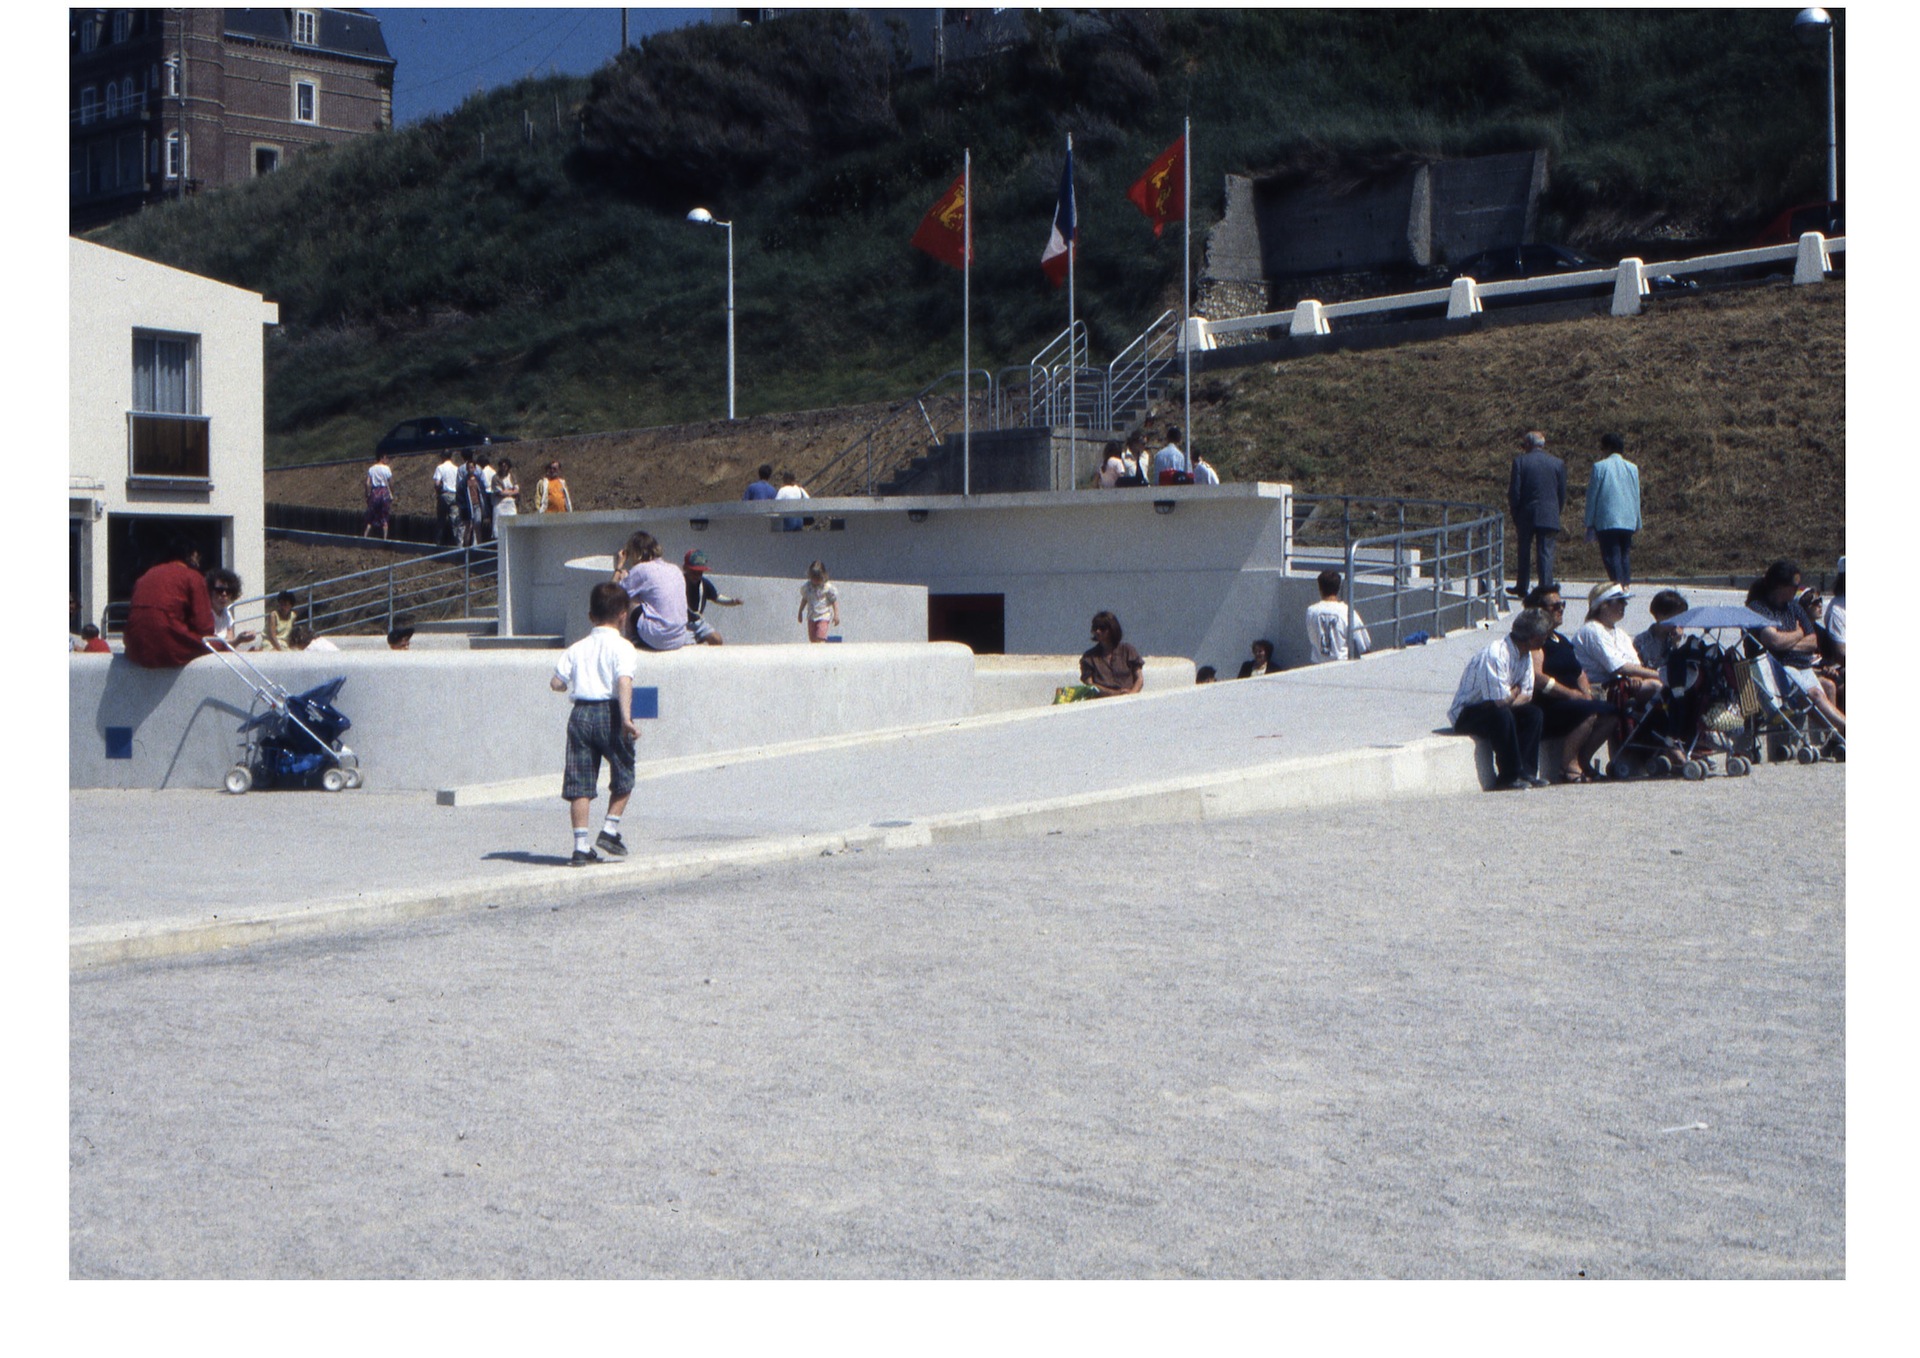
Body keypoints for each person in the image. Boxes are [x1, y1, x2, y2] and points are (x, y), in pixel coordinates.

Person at [550, 581, 641, 867]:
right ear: (623, 615)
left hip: (580, 714)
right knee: (624, 771)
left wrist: (565, 686)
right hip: (611, 713)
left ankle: (580, 846)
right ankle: (610, 829)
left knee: (580, 780)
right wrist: (626, 718)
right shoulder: (623, 647)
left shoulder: (577, 648)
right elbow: (623, 682)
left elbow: (556, 682)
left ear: (591, 616)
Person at [1448, 607, 1552, 791]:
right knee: (1502, 715)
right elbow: (1499, 701)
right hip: (1468, 713)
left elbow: (1526, 695)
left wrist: (1511, 695)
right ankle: (1508, 776)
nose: (1546, 639)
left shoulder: (1525, 656)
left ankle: (1526, 772)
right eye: (1544, 635)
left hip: (1497, 707)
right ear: (1532, 637)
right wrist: (1512, 694)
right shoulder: (1496, 654)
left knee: (1533, 714)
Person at [1525, 584, 1617, 783]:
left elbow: (1579, 672)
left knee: (1611, 713)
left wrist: (1585, 693)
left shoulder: (1562, 640)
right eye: (1555, 606)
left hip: (1571, 701)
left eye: (1562, 604)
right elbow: (1538, 678)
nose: (1561, 609)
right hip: (1549, 704)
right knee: (1587, 712)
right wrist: (1571, 695)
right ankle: (1568, 766)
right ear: (1539, 611)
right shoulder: (1536, 642)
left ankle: (1583, 760)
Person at [1746, 559, 1845, 735]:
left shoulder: (1794, 608)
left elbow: (1813, 641)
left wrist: (1788, 642)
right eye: (1795, 585)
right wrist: (1799, 634)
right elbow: (1773, 641)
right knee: (1813, 694)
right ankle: (1844, 729)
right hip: (1779, 669)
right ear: (1780, 586)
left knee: (1826, 688)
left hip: (1803, 665)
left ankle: (1834, 738)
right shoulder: (1759, 608)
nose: (1798, 589)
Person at [123, 539, 217, 667]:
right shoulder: (193, 576)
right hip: (167, 643)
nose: (199, 562)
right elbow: (204, 625)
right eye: (197, 556)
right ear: (191, 555)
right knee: (217, 644)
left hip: (135, 646)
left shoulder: (147, 574)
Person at [1573, 581, 1663, 701]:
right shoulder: (1591, 630)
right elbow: (1619, 667)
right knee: (1656, 686)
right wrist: (1661, 675)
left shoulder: (1620, 634)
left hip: (1619, 684)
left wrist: (1637, 676)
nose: (1624, 605)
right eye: (1620, 601)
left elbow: (1634, 664)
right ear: (1603, 604)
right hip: (1598, 687)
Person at [1507, 429, 1566, 599]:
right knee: (1545, 552)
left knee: (1524, 550)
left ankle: (1522, 586)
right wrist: (1556, 510)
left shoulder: (1520, 462)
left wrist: (1515, 512)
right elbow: (1561, 493)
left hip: (1526, 513)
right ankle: (1546, 587)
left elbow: (1515, 492)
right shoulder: (1557, 463)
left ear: (1528, 444)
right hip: (1549, 513)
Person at [612, 531, 689, 652]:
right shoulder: (675, 569)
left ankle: (630, 641)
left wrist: (619, 568)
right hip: (679, 638)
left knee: (629, 597)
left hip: (659, 638)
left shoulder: (641, 569)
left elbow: (611, 594)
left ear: (636, 553)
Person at [1584, 432, 1642, 585]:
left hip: (1607, 519)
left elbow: (1593, 496)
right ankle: (1626, 584)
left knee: (1611, 555)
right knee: (1624, 554)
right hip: (1628, 518)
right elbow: (1636, 495)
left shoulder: (1599, 467)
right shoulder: (1632, 468)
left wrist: (1589, 522)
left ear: (1607, 448)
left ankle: (1618, 584)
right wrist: (1638, 521)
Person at [1305, 569, 1372, 663]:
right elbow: (1364, 645)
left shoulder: (1311, 611)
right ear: (1338, 588)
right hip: (1341, 665)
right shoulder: (1347, 611)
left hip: (1318, 665)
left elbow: (1312, 638)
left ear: (1320, 588)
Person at [683, 549, 742, 645]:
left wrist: (732, 601)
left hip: (699, 623)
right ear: (685, 568)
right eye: (694, 572)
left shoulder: (704, 583)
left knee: (716, 639)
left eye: (700, 572)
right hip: (683, 625)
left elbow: (717, 597)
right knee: (689, 646)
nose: (697, 576)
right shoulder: (678, 582)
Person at [1079, 610, 1145, 697]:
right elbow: (1090, 686)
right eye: (1095, 628)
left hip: (1128, 700)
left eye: (1102, 628)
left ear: (1112, 629)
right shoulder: (1089, 657)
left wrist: (1131, 694)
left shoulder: (1128, 651)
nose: (1098, 631)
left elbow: (1139, 679)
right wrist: (1116, 694)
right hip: (1103, 702)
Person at [1633, 589, 1691, 670]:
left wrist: (1677, 645)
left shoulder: (1684, 640)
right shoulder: (1641, 641)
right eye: (1675, 617)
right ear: (1660, 616)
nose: (1678, 623)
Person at [204, 568, 258, 649]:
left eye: (228, 591)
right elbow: (211, 645)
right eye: (219, 591)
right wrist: (238, 640)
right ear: (210, 591)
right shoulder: (205, 613)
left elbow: (230, 645)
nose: (224, 594)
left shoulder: (227, 614)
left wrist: (241, 641)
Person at [798, 560, 840, 642]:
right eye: (814, 578)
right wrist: (800, 612)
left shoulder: (826, 587)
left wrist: (836, 615)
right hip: (812, 616)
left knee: (820, 638)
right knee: (813, 639)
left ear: (823, 576)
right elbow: (804, 599)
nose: (816, 581)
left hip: (823, 615)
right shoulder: (808, 587)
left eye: (818, 578)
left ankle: (821, 650)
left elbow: (834, 601)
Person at [458, 448, 488, 547]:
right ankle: (466, 546)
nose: (471, 469)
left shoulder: (478, 479)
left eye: (472, 467)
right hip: (467, 505)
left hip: (477, 505)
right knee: (468, 526)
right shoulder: (464, 482)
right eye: (469, 468)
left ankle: (477, 545)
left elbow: (484, 487)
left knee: (477, 525)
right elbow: (460, 491)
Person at [431, 450, 462, 545]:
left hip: (444, 494)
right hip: (454, 495)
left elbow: (437, 483)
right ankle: (457, 543)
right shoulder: (457, 468)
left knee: (441, 520)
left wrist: (437, 492)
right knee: (455, 520)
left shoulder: (440, 468)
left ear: (443, 457)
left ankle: (438, 541)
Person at [363, 451, 394, 540]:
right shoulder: (386, 469)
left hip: (374, 493)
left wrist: (367, 494)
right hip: (384, 493)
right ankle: (384, 539)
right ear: (382, 458)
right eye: (386, 458)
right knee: (384, 516)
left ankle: (365, 537)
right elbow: (391, 482)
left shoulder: (371, 469)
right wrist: (392, 492)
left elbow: (367, 483)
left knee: (371, 517)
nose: (387, 460)